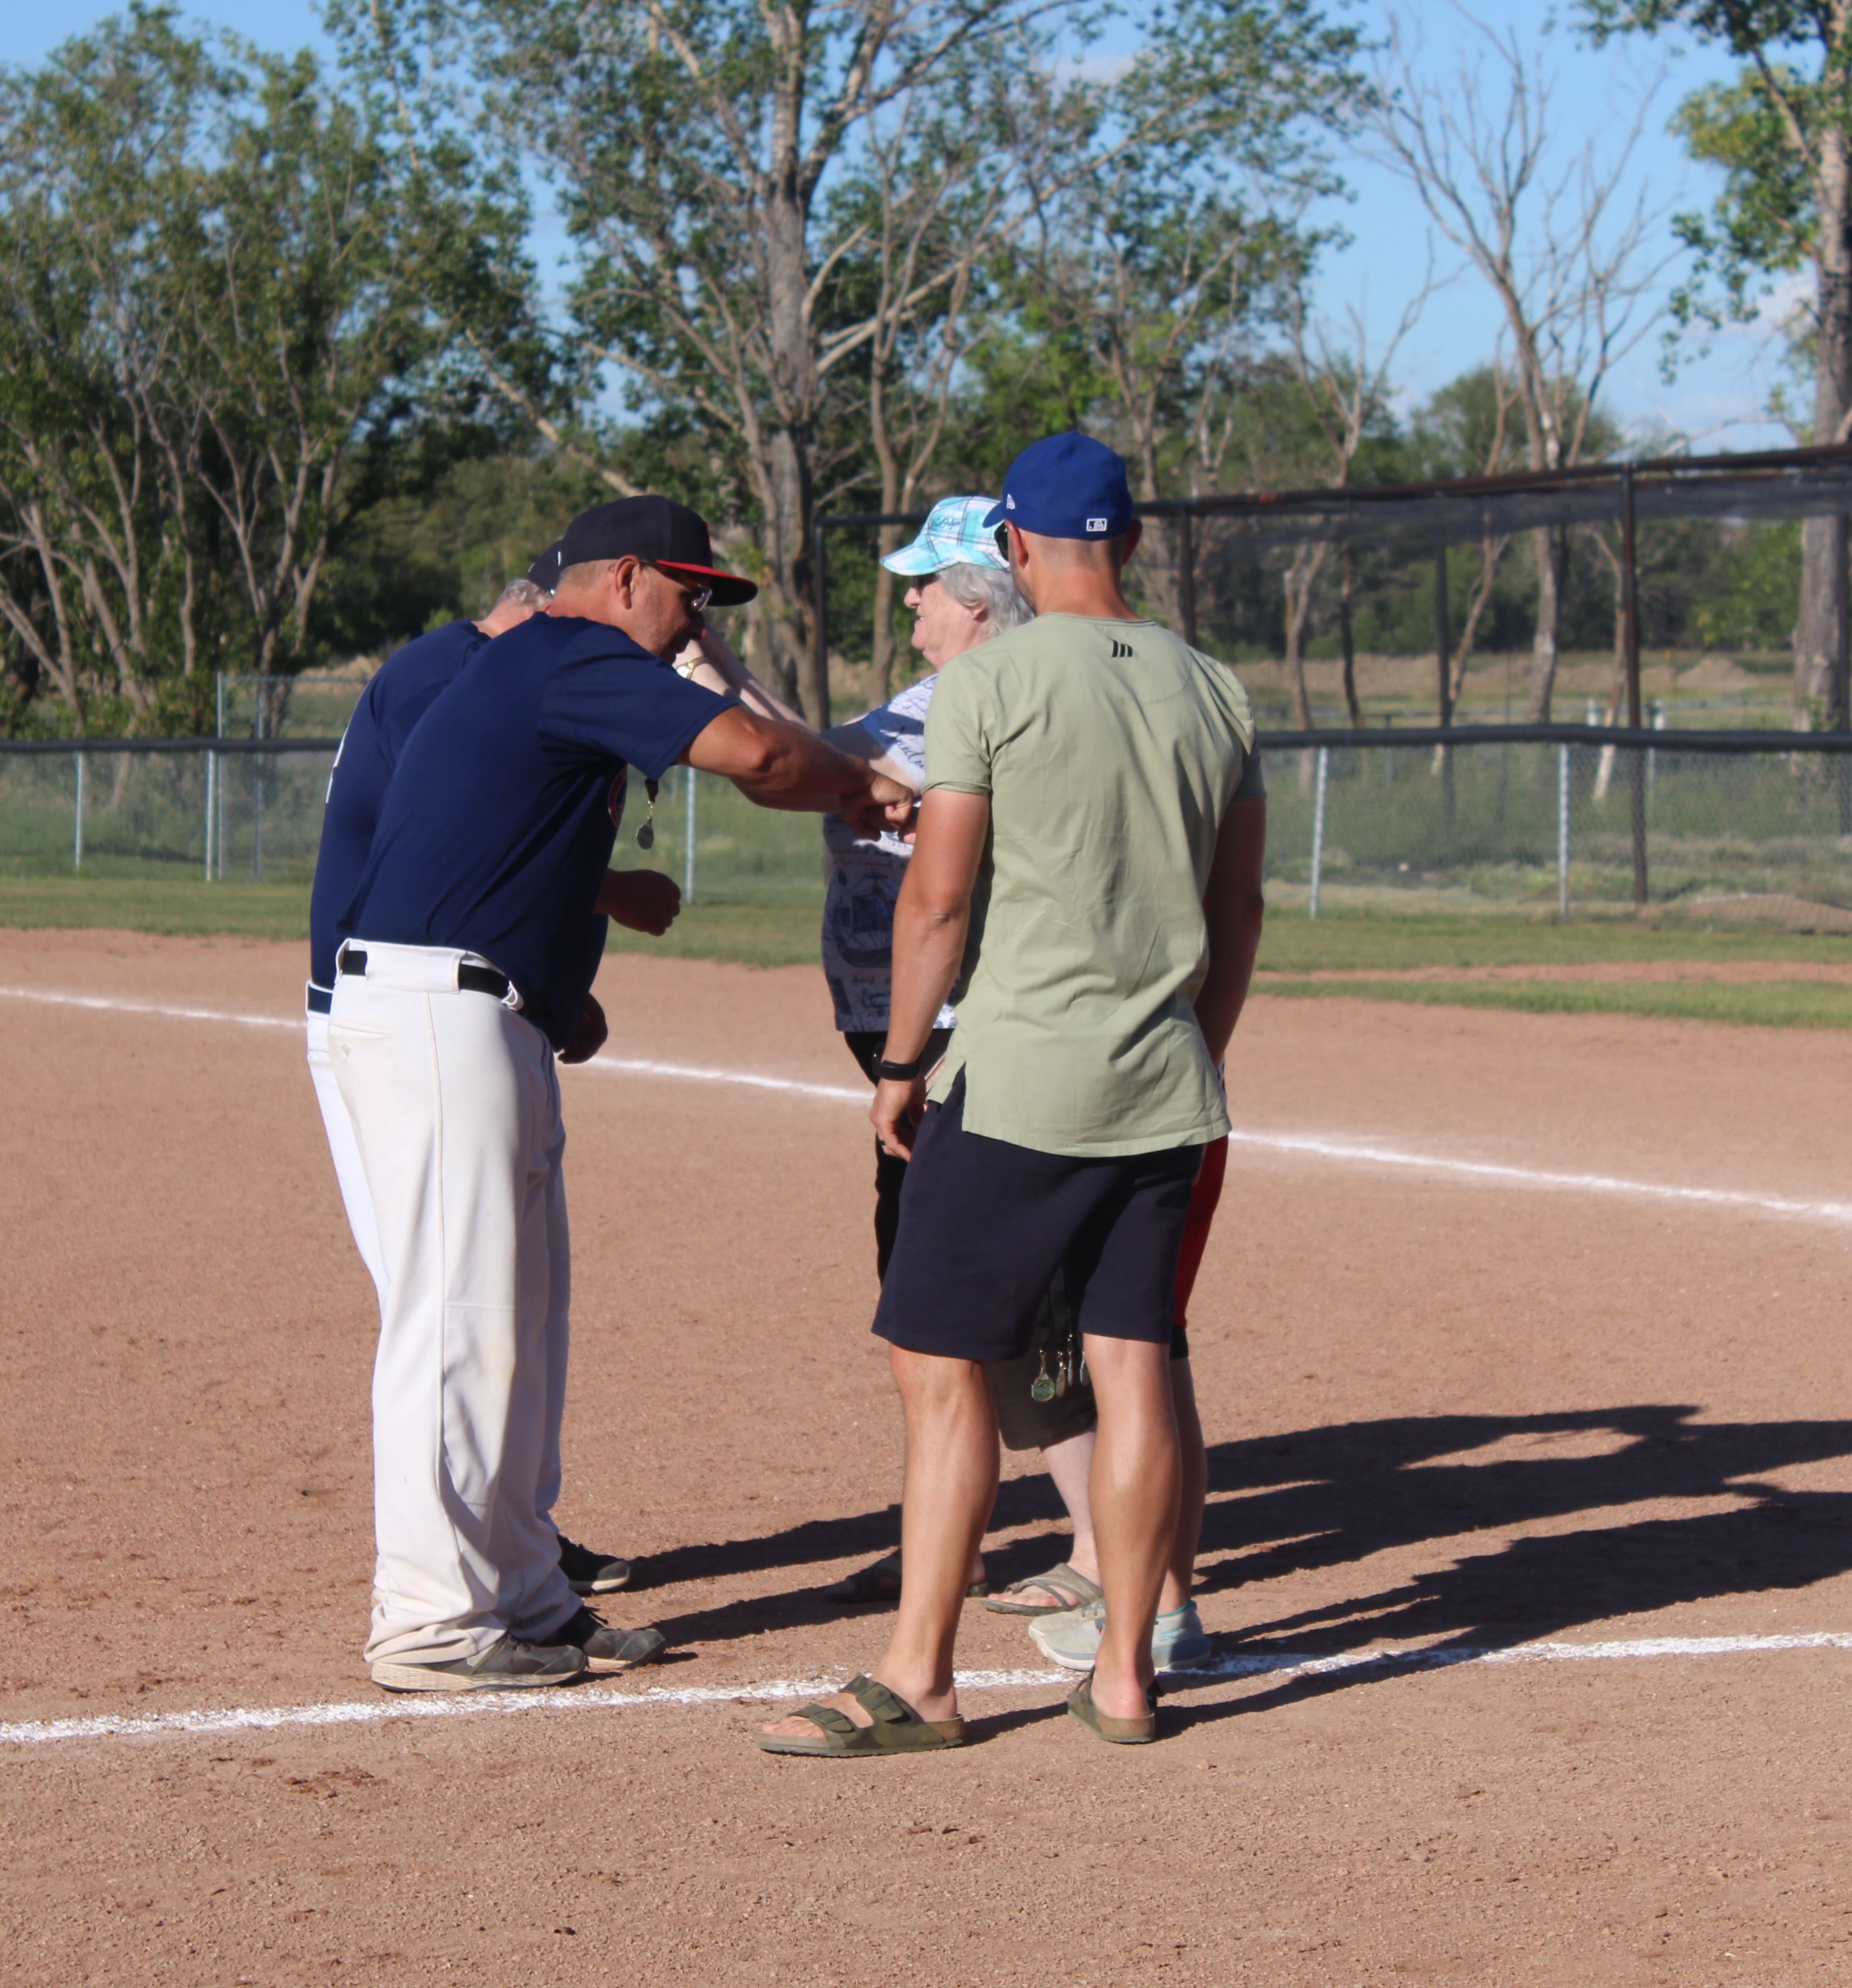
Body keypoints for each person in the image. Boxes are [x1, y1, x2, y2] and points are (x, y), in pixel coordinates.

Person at [329, 494, 907, 1694]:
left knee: (522, 1330)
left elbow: (507, 838)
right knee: (456, 1327)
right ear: (630, 577)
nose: (696, 624)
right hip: (439, 1016)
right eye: (691, 595)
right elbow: (757, 756)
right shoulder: (568, 651)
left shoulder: (552, 669)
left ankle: (528, 1593)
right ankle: (432, 1621)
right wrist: (859, 783)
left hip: (486, 1015)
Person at [758, 433, 1266, 1756]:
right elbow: (1239, 904)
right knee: (1134, 1367)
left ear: (1019, 549)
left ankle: (920, 1679)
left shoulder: (993, 680)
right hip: (1167, 1079)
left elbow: (937, 895)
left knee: (938, 1365)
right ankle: (1125, 1677)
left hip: (1020, 1077)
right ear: (1134, 543)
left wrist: (903, 1062)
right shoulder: (1213, 686)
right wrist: (1189, 1043)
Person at [302, 569, 669, 1598]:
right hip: (394, 1015)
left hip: (475, 1012)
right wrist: (611, 891)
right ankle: (441, 1591)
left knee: (509, 1304)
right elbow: (460, 843)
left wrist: (557, 982)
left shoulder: (480, 668)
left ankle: (518, 1545)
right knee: (446, 1306)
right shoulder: (460, 674)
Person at [805, 497, 1109, 1619]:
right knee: (936, 1292)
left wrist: (714, 690)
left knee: (1007, 1297)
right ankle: (956, 1532)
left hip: (954, 1041)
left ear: (981, 599)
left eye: (928, 583)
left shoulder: (983, 701)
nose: (912, 601)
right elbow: (819, 764)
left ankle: (1094, 1543)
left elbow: (795, 769)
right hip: (923, 1040)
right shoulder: (941, 700)